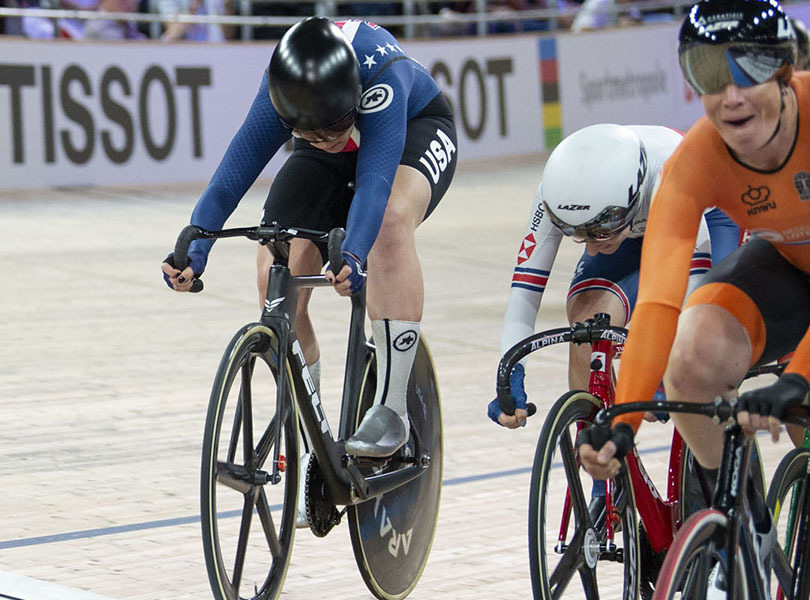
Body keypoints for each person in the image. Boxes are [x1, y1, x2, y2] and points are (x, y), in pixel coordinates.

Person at [577, 0, 810, 589]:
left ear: (784, 72)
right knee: (691, 360)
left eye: (748, 72)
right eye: (709, 73)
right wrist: (624, 415)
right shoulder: (694, 161)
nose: (730, 95)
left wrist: (798, 378)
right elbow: (657, 302)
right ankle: (745, 530)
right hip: (787, 261)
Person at [161, 17, 458, 459]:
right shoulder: (285, 87)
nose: (324, 139)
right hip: (329, 145)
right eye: (309, 132)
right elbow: (232, 175)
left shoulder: (381, 76)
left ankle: (393, 410)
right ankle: (309, 425)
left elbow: (374, 183)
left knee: (389, 223)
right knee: (275, 264)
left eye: (330, 129)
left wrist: (354, 255)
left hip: (414, 129)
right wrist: (196, 245)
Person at [488, 123, 740, 429]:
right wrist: (512, 370)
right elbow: (525, 291)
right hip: (635, 228)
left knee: (714, 328)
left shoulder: (672, 174)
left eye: (600, 232)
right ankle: (601, 465)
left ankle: (729, 451)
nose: (592, 250)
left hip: (709, 215)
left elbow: (693, 285)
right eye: (577, 235)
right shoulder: (556, 192)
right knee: (588, 324)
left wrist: (671, 363)